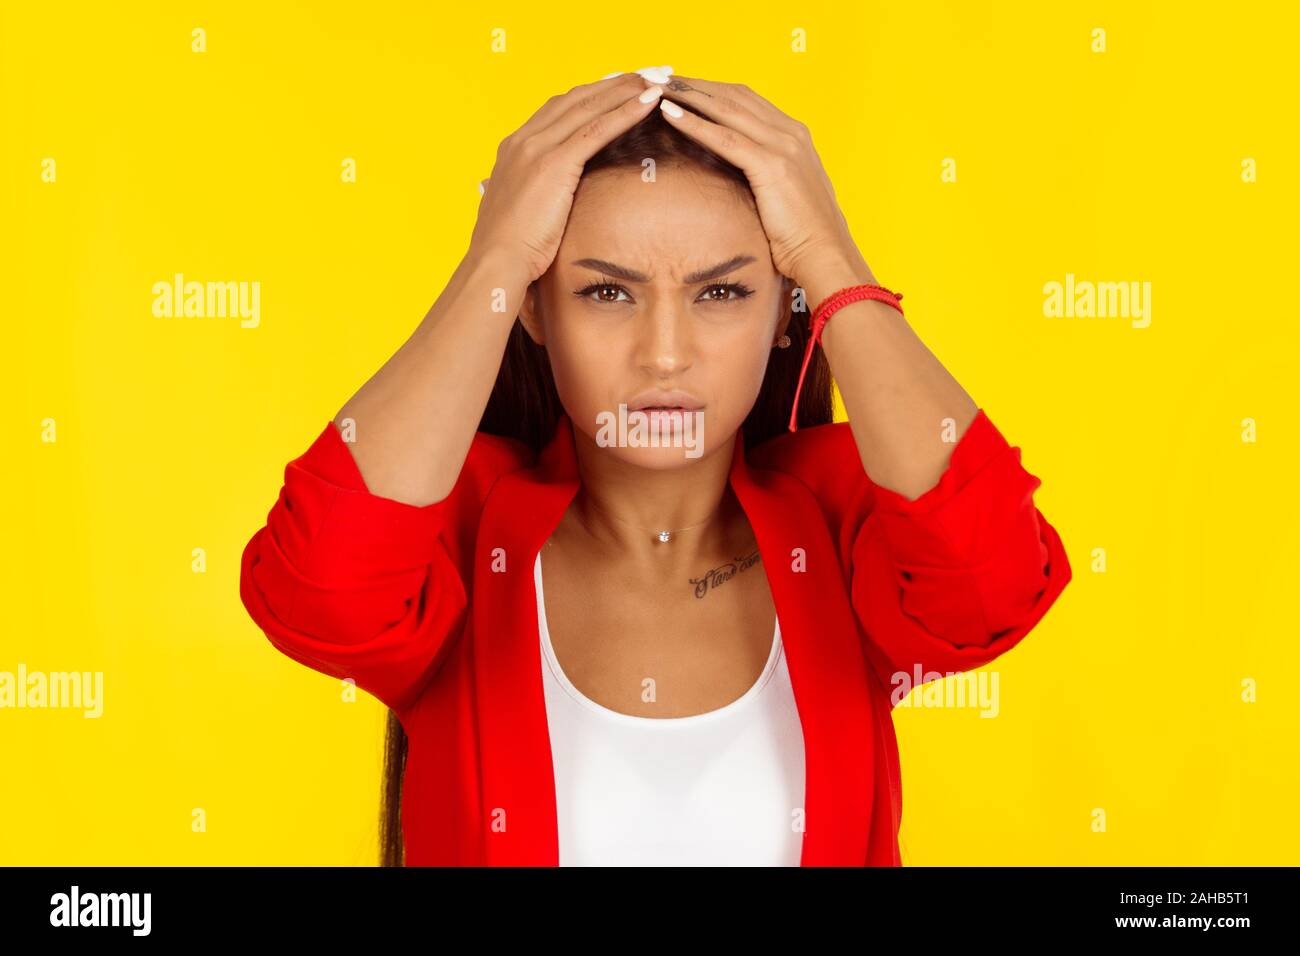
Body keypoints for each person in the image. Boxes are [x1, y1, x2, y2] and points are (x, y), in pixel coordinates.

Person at [239, 69, 1072, 866]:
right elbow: (322, 588)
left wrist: (830, 261)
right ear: (535, 307)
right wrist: (493, 262)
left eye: (722, 293)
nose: (664, 354)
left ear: (785, 314)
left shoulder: (841, 525)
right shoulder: (465, 538)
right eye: (606, 293)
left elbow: (988, 582)